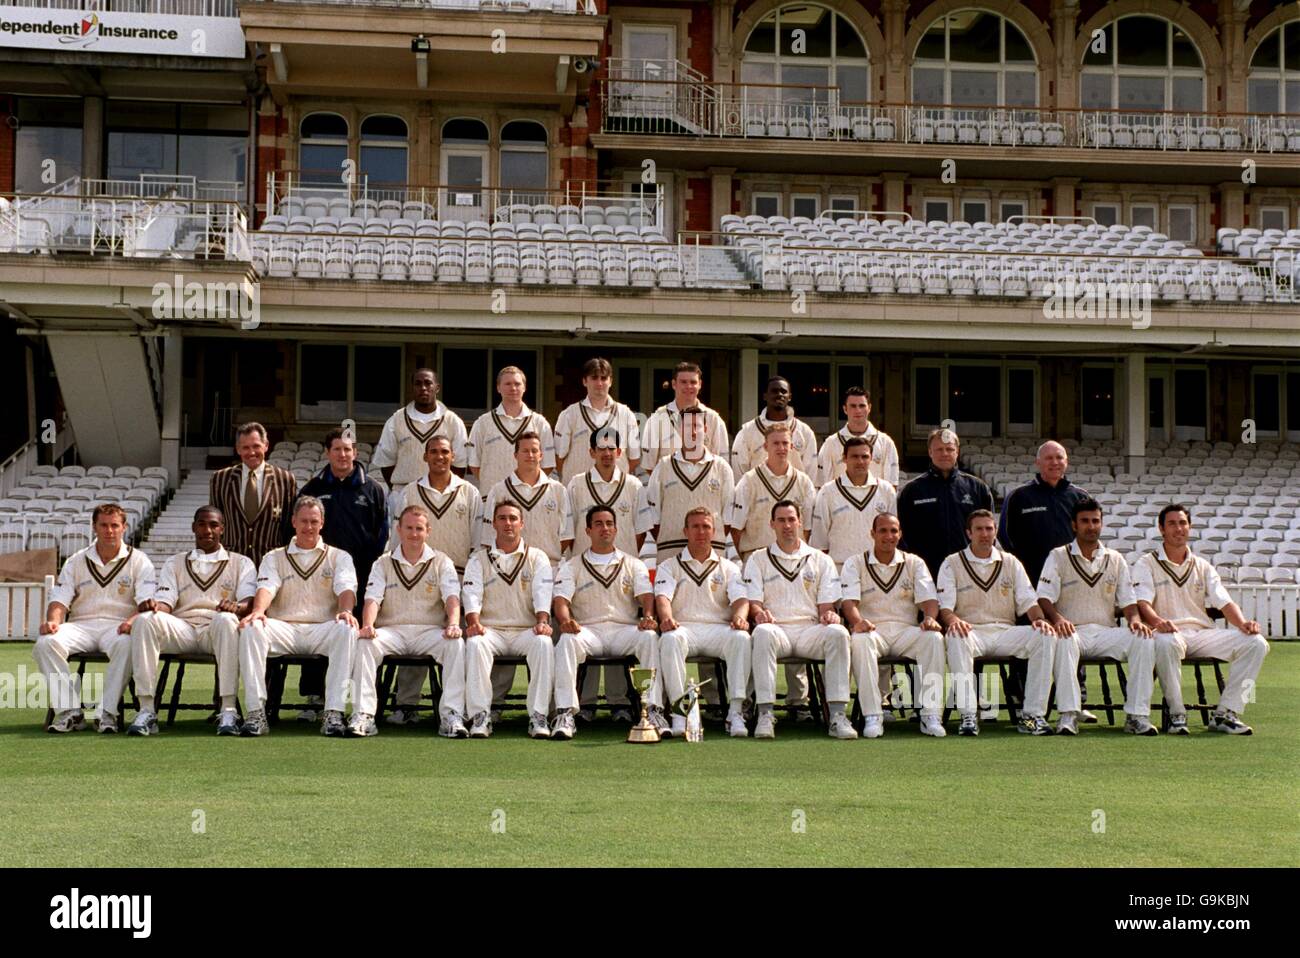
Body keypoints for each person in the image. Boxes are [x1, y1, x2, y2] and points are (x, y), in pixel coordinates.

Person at [1133, 504, 1269, 735]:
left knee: (1257, 644)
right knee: (1167, 642)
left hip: (1202, 633)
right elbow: (1142, 603)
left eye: (1183, 523)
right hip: (1168, 633)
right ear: (1161, 529)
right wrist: (1157, 622)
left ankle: (1227, 713)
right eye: (1172, 523)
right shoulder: (1146, 563)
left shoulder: (1202, 565)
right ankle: (1177, 714)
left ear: (1190, 527)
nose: (1179, 528)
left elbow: (1224, 601)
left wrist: (1243, 623)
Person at [125, 506, 257, 737]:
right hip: (183, 629)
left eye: (214, 525)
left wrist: (235, 607)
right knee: (145, 620)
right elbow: (166, 603)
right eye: (202, 524)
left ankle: (228, 710)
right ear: (193, 527)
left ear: (222, 529)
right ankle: (147, 710)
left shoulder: (241, 563)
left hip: (215, 630)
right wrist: (154, 607)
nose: (207, 530)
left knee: (227, 620)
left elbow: (248, 603)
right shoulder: (174, 563)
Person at [237, 496, 359, 738]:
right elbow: (267, 588)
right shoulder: (275, 557)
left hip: (322, 628)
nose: (309, 527)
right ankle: (255, 713)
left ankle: (333, 712)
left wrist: (345, 610)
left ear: (322, 523)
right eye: (303, 521)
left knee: (347, 628)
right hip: (284, 627)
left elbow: (346, 588)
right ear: (293, 521)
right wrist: (259, 611)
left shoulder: (339, 556)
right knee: (251, 628)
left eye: (314, 521)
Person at [1035, 498, 1158, 736]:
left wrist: (1134, 621)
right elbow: (1044, 598)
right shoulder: (1058, 556)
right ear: (1074, 525)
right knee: (1064, 639)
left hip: (1107, 632)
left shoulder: (1115, 558)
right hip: (1073, 631)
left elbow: (1129, 602)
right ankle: (1069, 714)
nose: (1091, 526)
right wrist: (1058, 619)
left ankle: (1136, 715)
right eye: (1085, 521)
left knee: (1145, 640)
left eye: (1095, 521)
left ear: (1101, 524)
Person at [382, 434, 482, 724]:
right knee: (415, 634)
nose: (440, 456)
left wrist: (474, 579)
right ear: (424, 457)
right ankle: (406, 705)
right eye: (434, 452)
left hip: (460, 577)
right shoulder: (410, 492)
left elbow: (478, 541)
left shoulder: (468, 491)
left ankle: (458, 708)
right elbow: (395, 537)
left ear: (454, 457)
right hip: (415, 575)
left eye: (445, 452)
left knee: (459, 643)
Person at [33, 503, 156, 734]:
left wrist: (132, 621)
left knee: (130, 644)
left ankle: (106, 712)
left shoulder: (139, 561)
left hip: (118, 626)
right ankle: (70, 711)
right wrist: (53, 622)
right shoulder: (76, 560)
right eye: (104, 525)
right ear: (94, 527)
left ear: (124, 528)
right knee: (45, 643)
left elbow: (146, 603)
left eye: (114, 525)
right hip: (81, 625)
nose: (109, 530)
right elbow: (60, 599)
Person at [347, 504, 467, 739]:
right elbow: (373, 598)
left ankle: (451, 715)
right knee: (365, 644)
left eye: (419, 528)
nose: (414, 533)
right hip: (392, 631)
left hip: (429, 631)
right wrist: (368, 625)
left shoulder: (442, 561)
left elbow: (452, 597)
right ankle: (364, 714)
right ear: (399, 529)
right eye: (409, 528)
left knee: (455, 644)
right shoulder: (383, 562)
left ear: (428, 531)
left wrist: (453, 623)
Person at [998, 439, 1097, 721]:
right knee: (1030, 641)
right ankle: (1021, 700)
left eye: (1060, 458)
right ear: (1038, 463)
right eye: (1049, 458)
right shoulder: (1019, 497)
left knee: (1070, 637)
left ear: (1066, 462)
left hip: (1071, 584)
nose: (1055, 462)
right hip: (1030, 583)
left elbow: (1089, 535)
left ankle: (1077, 701)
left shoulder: (1079, 496)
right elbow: (1006, 537)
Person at [295, 428, 388, 720]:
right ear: (327, 453)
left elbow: (381, 532)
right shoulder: (312, 487)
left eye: (348, 449)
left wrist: (369, 566)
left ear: (355, 452)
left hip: (360, 575)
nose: (343, 455)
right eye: (337, 449)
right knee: (318, 629)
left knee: (360, 636)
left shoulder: (372, 489)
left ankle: (360, 700)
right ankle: (314, 697)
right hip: (318, 573)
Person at [938, 509, 1058, 736]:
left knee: (1045, 635)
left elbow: (1028, 601)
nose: (985, 534)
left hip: (1005, 631)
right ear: (968, 533)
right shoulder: (952, 563)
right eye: (979, 529)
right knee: (955, 635)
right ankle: (968, 715)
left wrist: (1040, 620)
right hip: (971, 632)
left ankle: (1033, 716)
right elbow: (946, 607)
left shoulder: (1011, 562)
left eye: (989, 529)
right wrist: (954, 621)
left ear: (995, 532)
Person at [745, 500, 857, 741]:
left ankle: (837, 715)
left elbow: (825, 606)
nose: (787, 525)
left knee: (838, 632)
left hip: (809, 630)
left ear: (800, 522)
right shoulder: (757, 558)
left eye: (791, 519)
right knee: (762, 632)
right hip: (776, 630)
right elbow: (754, 602)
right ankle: (765, 713)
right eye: (781, 520)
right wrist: (759, 614)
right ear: (772, 524)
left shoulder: (820, 559)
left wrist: (829, 615)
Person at [550, 506, 659, 740]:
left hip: (623, 630)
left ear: (616, 529)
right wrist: (566, 621)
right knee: (567, 640)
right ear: (588, 530)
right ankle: (565, 713)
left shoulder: (633, 563)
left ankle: (651, 709)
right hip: (588, 630)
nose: (605, 528)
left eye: (609, 523)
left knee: (649, 637)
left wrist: (648, 616)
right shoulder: (572, 566)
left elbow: (646, 596)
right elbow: (560, 599)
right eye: (598, 524)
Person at [839, 513, 947, 738]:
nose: (889, 536)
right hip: (872, 630)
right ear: (872, 533)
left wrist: (929, 618)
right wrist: (858, 622)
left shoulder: (914, 562)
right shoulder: (855, 562)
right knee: (860, 640)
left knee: (934, 638)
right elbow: (849, 601)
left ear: (900, 534)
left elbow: (929, 599)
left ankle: (931, 714)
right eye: (883, 531)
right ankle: (873, 714)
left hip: (905, 630)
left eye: (894, 531)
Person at [565, 427, 646, 719]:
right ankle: (584, 704)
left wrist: (619, 553)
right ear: (591, 452)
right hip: (585, 568)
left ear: (620, 453)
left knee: (621, 626)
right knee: (585, 630)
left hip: (622, 568)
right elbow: (568, 528)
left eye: (612, 448)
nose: (607, 453)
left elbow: (640, 531)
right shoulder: (575, 484)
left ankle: (619, 704)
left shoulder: (634, 485)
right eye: (601, 448)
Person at [461, 501, 555, 739]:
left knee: (544, 643)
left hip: (526, 630)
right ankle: (480, 716)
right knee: (475, 643)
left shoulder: (537, 557)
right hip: (491, 630)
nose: (508, 523)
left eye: (513, 518)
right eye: (502, 518)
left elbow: (542, 592)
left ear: (522, 523)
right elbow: (472, 595)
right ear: (493, 523)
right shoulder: (478, 558)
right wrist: (473, 622)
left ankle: (538, 715)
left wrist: (542, 620)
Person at [655, 508, 753, 738]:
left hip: (718, 628)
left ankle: (736, 712)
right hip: (684, 628)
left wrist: (740, 616)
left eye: (706, 526)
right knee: (669, 640)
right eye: (696, 526)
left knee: (741, 638)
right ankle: (680, 713)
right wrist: (667, 618)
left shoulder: (728, 567)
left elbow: (741, 599)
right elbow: (662, 598)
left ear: (714, 532)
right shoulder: (669, 566)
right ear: (685, 531)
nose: (701, 531)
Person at [642, 406, 734, 564]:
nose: (692, 432)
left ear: (705, 429)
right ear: (678, 430)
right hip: (670, 554)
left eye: (696, 426)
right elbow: (653, 517)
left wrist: (705, 541)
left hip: (711, 555)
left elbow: (728, 518)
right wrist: (670, 539)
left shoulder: (722, 468)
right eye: (686, 427)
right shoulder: (663, 467)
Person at [897, 427, 993, 579]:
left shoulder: (977, 488)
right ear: (930, 452)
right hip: (925, 573)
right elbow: (901, 536)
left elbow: (989, 532)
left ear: (957, 451)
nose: (945, 454)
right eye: (939, 449)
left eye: (949, 449)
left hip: (968, 571)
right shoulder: (912, 491)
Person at [371, 368, 469, 501]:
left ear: (437, 388)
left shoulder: (453, 421)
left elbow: (459, 463)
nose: (423, 388)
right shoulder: (396, 420)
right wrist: (404, 489)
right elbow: (386, 462)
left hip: (441, 495)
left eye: (428, 383)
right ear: (412, 388)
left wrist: (445, 488)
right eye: (418, 383)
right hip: (403, 494)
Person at [209, 421, 296, 566]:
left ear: (266, 445)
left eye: (256, 446)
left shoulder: (285, 479)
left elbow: (289, 527)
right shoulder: (220, 479)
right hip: (231, 564)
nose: (252, 452)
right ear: (238, 449)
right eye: (246, 447)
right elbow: (214, 525)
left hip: (271, 565)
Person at [481, 431, 573, 568]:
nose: (530, 455)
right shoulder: (498, 491)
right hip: (509, 567)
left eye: (534, 451)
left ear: (541, 455)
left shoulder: (558, 490)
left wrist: (547, 554)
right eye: (525, 451)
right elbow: (488, 537)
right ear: (515, 455)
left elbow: (567, 535)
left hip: (548, 567)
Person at [730, 423, 816, 559]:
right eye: (776, 443)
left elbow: (808, 529)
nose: (781, 448)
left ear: (792, 446)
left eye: (785, 443)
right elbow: (736, 530)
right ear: (765, 446)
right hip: (757, 558)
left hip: (794, 559)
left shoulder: (804, 482)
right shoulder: (749, 481)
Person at [810, 436, 898, 569]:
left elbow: (892, 535)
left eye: (864, 457)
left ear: (871, 458)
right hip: (840, 568)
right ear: (844, 458)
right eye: (854, 457)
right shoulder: (827, 492)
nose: (860, 461)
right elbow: (819, 541)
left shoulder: (886, 491)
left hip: (876, 567)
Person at [467, 365, 555, 495]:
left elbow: (547, 464)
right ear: (498, 388)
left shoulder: (539, 423)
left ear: (524, 388)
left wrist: (526, 485)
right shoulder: (482, 423)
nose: (513, 388)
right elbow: (474, 464)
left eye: (517, 384)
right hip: (492, 498)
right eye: (507, 384)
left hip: (528, 498)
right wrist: (497, 486)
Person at [553, 357, 641, 483]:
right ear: (584, 381)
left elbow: (634, 459)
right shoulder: (569, 415)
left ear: (610, 381)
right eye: (594, 378)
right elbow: (558, 458)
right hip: (579, 493)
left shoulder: (626, 415)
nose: (599, 383)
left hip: (616, 493)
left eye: (604, 378)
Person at [639, 362, 729, 465]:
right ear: (674, 384)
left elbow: (722, 464)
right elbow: (648, 465)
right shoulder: (657, 419)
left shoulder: (713, 419)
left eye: (693, 382)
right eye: (683, 382)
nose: (689, 386)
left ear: (700, 384)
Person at [731, 376, 817, 476]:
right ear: (765, 396)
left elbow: (811, 474)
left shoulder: (805, 432)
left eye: (783, 391)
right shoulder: (747, 432)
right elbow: (740, 473)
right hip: (758, 490)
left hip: (795, 490)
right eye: (774, 391)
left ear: (789, 397)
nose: (779, 394)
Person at [815, 387, 899, 487]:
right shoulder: (831, 443)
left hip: (875, 502)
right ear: (845, 409)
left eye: (862, 406)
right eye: (853, 406)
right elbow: (823, 486)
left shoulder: (886, 443)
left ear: (869, 408)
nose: (858, 410)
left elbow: (892, 486)